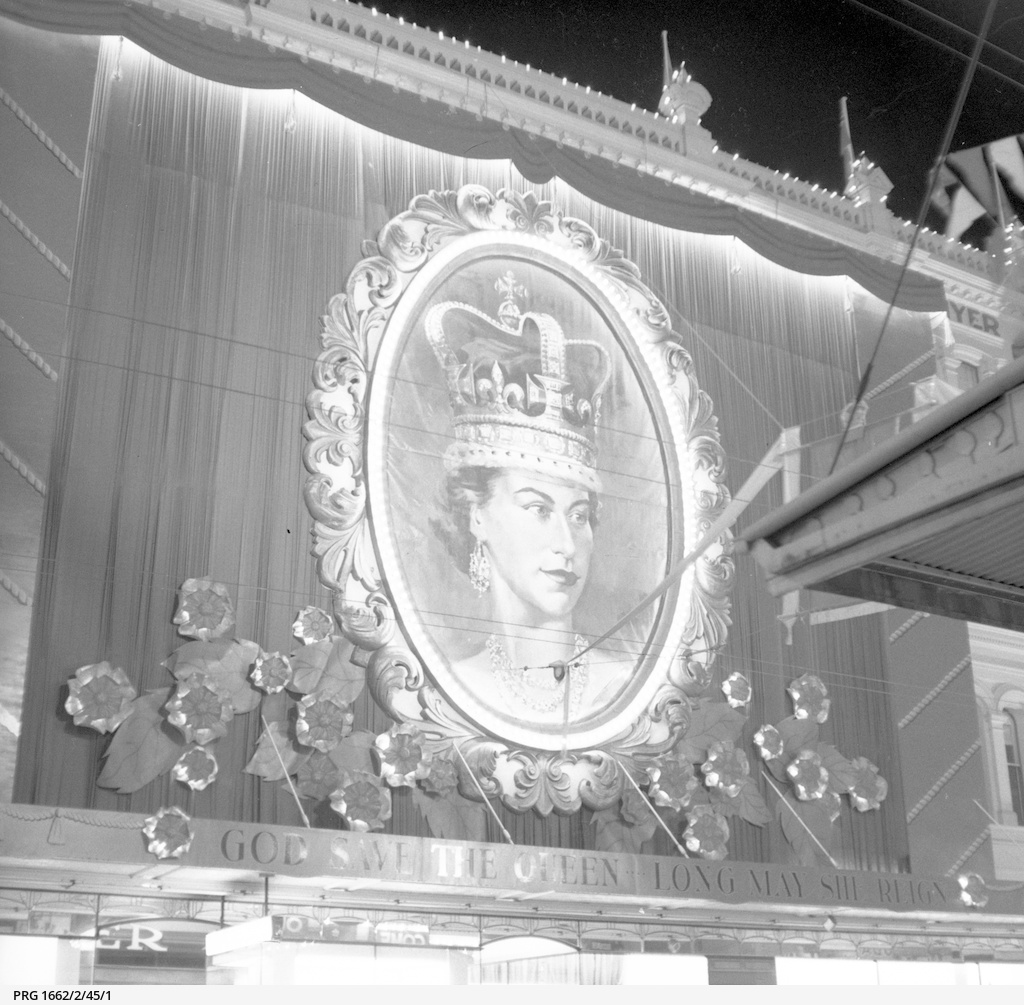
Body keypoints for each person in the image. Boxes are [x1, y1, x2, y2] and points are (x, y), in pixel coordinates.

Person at [426, 275, 632, 724]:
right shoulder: (455, 683)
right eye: (538, 509)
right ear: (476, 513)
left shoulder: (623, 687)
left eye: (579, 515)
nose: (567, 543)